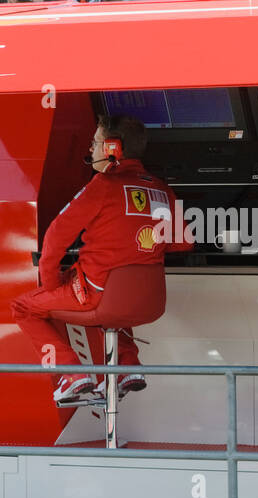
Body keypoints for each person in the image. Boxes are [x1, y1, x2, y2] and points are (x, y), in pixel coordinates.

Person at [10, 115, 185, 404]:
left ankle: (73, 374)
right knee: (110, 300)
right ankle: (127, 367)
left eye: (95, 143)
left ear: (112, 148)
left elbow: (55, 237)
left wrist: (52, 284)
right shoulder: (161, 188)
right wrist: (140, 239)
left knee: (24, 308)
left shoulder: (102, 185)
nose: (91, 150)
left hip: (97, 294)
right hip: (149, 299)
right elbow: (182, 241)